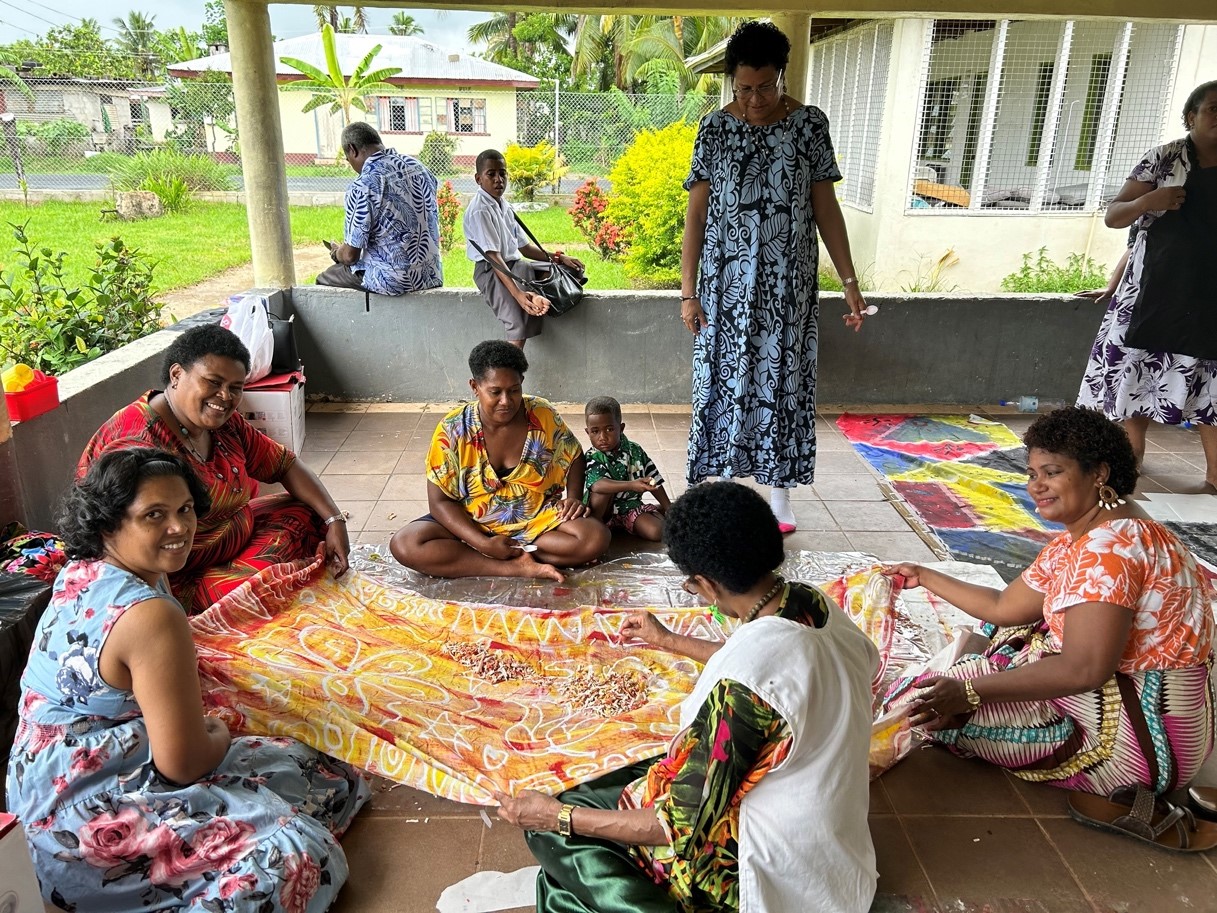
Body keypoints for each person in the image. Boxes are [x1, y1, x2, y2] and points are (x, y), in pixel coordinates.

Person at [6, 448, 369, 910]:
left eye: (185, 510)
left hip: (52, 793)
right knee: (297, 857)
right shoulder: (149, 616)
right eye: (154, 514)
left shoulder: (83, 571)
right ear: (109, 522)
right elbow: (182, 763)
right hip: (87, 827)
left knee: (322, 771)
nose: (179, 528)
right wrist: (217, 730)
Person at [495, 481, 878, 913]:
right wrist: (668, 640)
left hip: (769, 878)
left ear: (706, 584)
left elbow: (675, 828)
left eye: (692, 588)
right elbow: (770, 664)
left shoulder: (741, 692)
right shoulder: (812, 604)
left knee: (555, 835)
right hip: (837, 859)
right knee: (610, 787)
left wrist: (555, 818)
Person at [883, 408, 1215, 818]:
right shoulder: (1105, 532)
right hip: (1166, 723)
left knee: (915, 705)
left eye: (1052, 472)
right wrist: (925, 575)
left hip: (1133, 746)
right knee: (1006, 635)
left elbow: (1083, 670)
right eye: (1032, 474)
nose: (1036, 486)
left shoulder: (1107, 551)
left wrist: (970, 693)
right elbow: (1004, 607)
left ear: (1099, 474)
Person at [680, 20, 870, 534]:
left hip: (787, 288)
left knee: (783, 381)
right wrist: (688, 291)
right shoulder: (715, 129)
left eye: (765, 86)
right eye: (744, 88)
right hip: (725, 286)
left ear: (781, 76)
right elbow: (696, 216)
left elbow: (826, 209)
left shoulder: (809, 125)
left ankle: (779, 495)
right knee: (722, 381)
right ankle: (721, 484)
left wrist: (850, 284)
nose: (755, 98)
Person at [78, 324, 350, 614]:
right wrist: (163, 612)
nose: (224, 397)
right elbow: (130, 546)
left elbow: (285, 465)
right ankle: (234, 598)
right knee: (253, 592)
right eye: (213, 382)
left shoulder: (223, 423)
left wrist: (335, 521)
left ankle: (262, 582)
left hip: (231, 542)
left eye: (235, 388)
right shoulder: (137, 444)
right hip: (176, 573)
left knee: (310, 512)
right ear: (176, 375)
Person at [1077, 82, 1217, 490]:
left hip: (1209, 300)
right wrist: (1147, 202)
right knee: (1134, 379)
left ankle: (1214, 477)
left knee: (1212, 389)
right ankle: (1128, 468)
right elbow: (1117, 217)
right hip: (1152, 296)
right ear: (1191, 117)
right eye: (1214, 109)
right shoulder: (1164, 159)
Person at [390, 340, 609, 581]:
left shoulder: (541, 414)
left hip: (533, 517)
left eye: (514, 390)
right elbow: (440, 502)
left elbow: (574, 454)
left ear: (521, 384)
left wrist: (574, 497)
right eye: (495, 392)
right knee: (405, 543)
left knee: (594, 538)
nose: (506, 401)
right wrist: (483, 543)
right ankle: (515, 567)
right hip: (472, 520)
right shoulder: (452, 430)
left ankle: (479, 558)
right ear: (475, 387)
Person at [464, 148, 586, 348]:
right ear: (478, 179)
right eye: (491, 174)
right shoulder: (480, 210)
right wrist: (518, 295)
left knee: (571, 272)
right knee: (518, 323)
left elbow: (526, 248)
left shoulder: (504, 205)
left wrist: (559, 257)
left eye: (502, 173)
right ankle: (513, 377)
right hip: (493, 271)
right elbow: (494, 259)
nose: (498, 179)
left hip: (516, 266)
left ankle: (539, 296)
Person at [316, 121, 442, 296]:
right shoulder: (419, 168)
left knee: (325, 278)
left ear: (353, 150)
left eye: (348, 159)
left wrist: (337, 253)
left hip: (394, 281)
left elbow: (350, 256)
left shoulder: (363, 185)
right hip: (430, 274)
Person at [582, 395, 671, 542]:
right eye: (595, 431)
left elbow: (653, 479)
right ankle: (597, 527)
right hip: (603, 512)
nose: (602, 437)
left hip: (629, 508)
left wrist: (669, 508)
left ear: (621, 428)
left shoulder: (635, 450)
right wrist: (632, 485)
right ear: (587, 432)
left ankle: (657, 510)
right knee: (602, 491)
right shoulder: (593, 456)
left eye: (609, 429)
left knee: (657, 532)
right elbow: (597, 485)